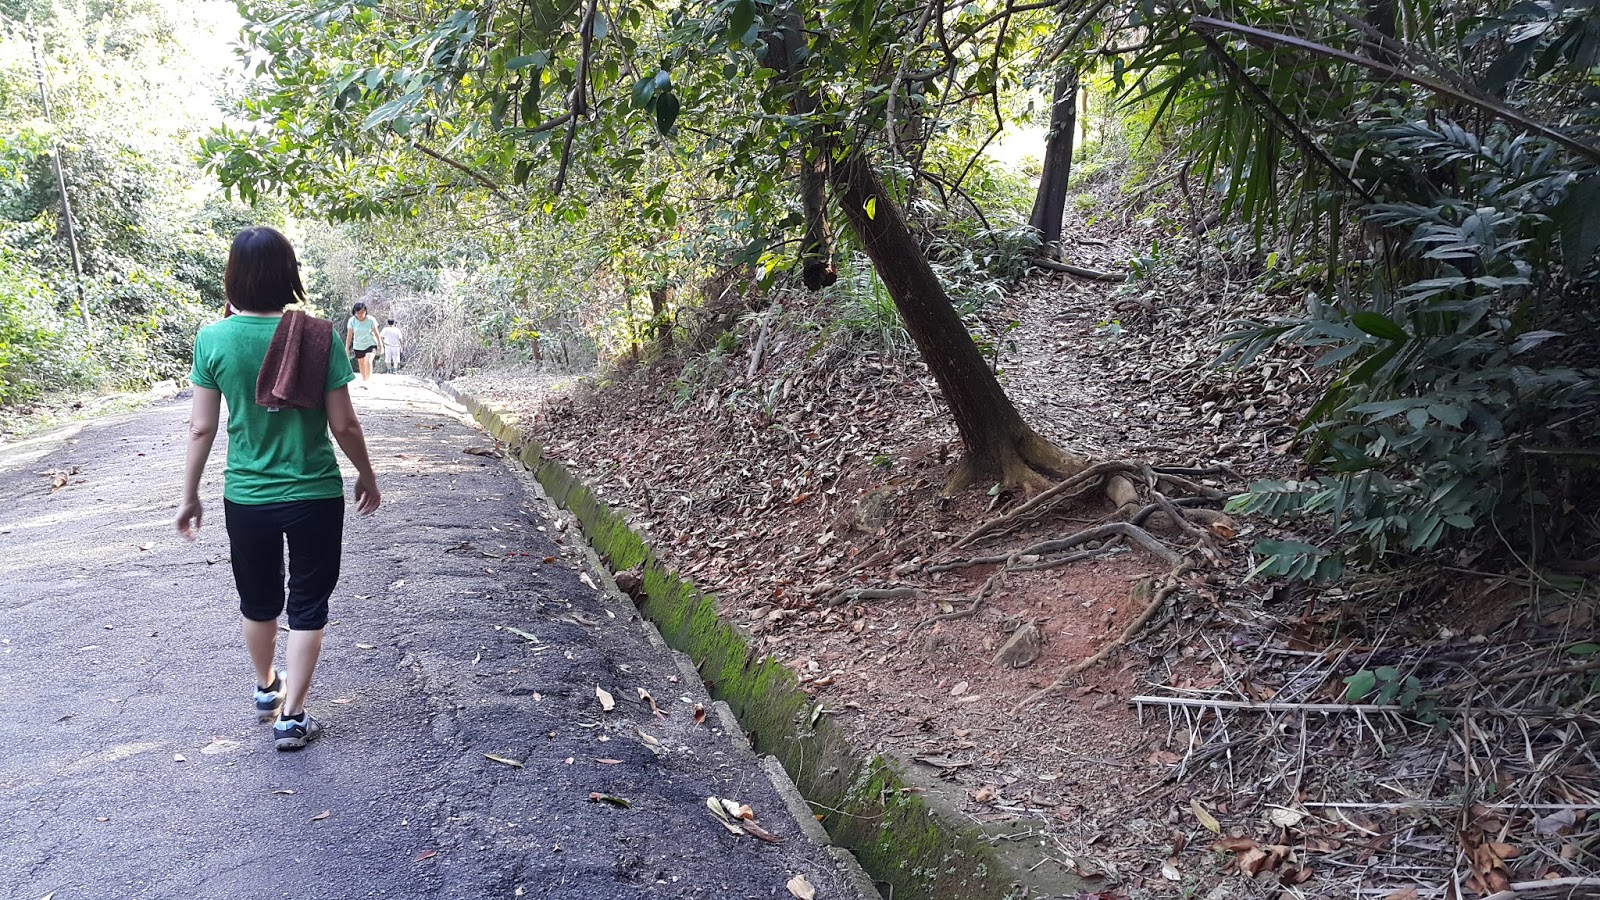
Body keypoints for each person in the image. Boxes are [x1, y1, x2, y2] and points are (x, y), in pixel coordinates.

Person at [175, 226, 381, 751]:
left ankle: (267, 688)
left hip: (246, 496)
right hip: (313, 493)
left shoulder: (212, 339)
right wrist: (366, 471)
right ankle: (293, 716)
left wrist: (190, 493)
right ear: (290, 274)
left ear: (233, 277)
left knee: (258, 599)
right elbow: (345, 425)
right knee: (308, 602)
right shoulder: (319, 336)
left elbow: (202, 427)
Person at [345, 302, 383, 382]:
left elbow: (376, 333)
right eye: (358, 313)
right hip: (358, 345)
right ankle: (364, 378)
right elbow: (349, 336)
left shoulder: (371, 320)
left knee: (368, 361)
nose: (360, 315)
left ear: (365, 311)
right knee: (362, 364)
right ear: (355, 313)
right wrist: (347, 348)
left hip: (371, 344)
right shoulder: (352, 321)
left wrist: (380, 345)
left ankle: (367, 381)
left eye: (362, 312)